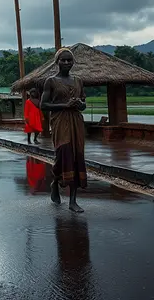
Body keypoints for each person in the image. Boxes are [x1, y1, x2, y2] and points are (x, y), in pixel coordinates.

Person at [41, 47, 88, 213]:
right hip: (60, 122)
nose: (67, 63)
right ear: (57, 62)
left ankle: (73, 201)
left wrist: (79, 104)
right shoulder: (51, 82)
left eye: (69, 60)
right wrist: (64, 105)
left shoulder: (78, 81)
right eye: (63, 60)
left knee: (76, 156)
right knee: (63, 154)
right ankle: (55, 181)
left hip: (76, 121)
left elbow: (84, 103)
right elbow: (44, 105)